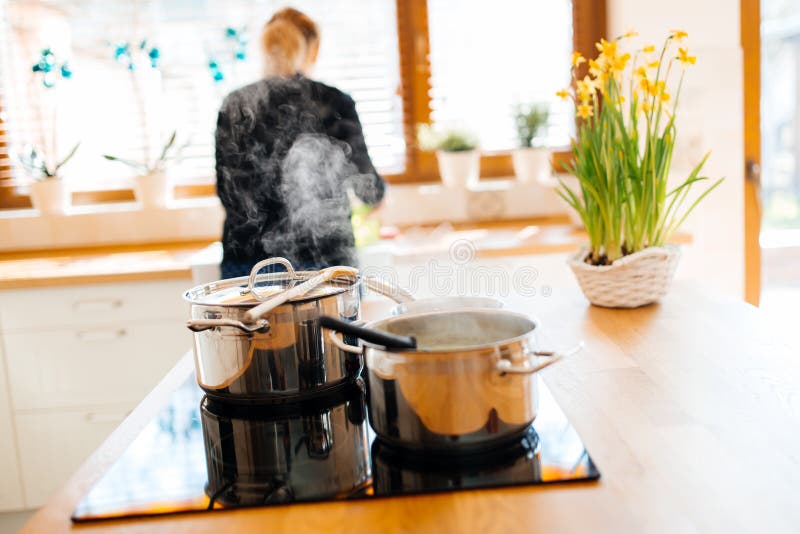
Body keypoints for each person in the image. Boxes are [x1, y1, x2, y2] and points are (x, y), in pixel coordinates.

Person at [215, 7, 385, 279]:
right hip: (325, 263)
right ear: (312, 49)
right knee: (332, 325)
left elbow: (227, 192)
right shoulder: (334, 102)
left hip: (248, 265)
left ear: (267, 48)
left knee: (253, 325)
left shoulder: (235, 106)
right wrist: (379, 198)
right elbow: (369, 189)